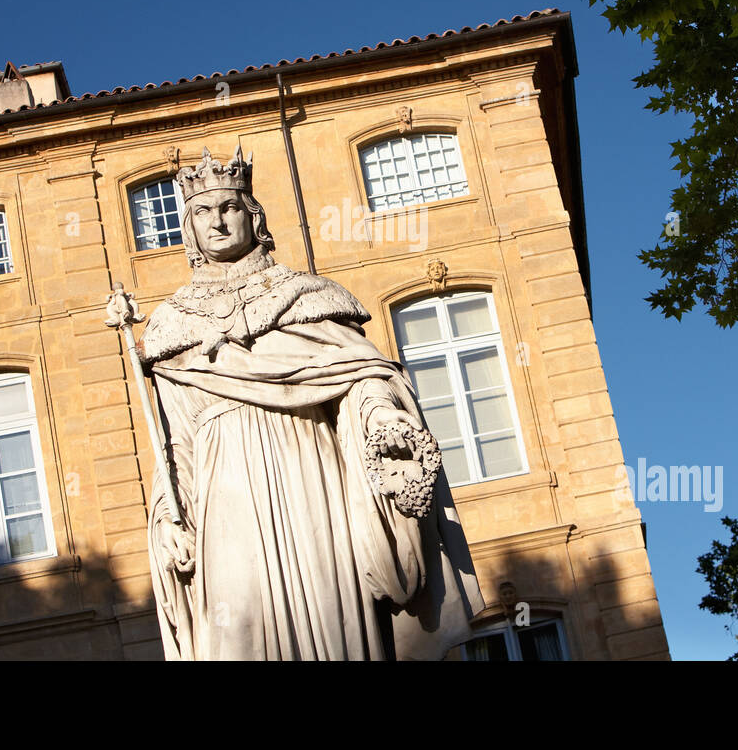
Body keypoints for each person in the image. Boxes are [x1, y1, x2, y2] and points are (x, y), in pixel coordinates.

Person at [139, 146, 482, 660]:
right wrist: (170, 515)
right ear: (188, 228)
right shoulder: (171, 325)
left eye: (230, 208)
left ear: (254, 218)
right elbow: (174, 444)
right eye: (203, 212)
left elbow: (363, 374)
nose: (218, 221)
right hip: (223, 492)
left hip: (309, 472)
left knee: (331, 611)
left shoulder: (307, 295)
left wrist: (381, 417)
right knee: (236, 627)